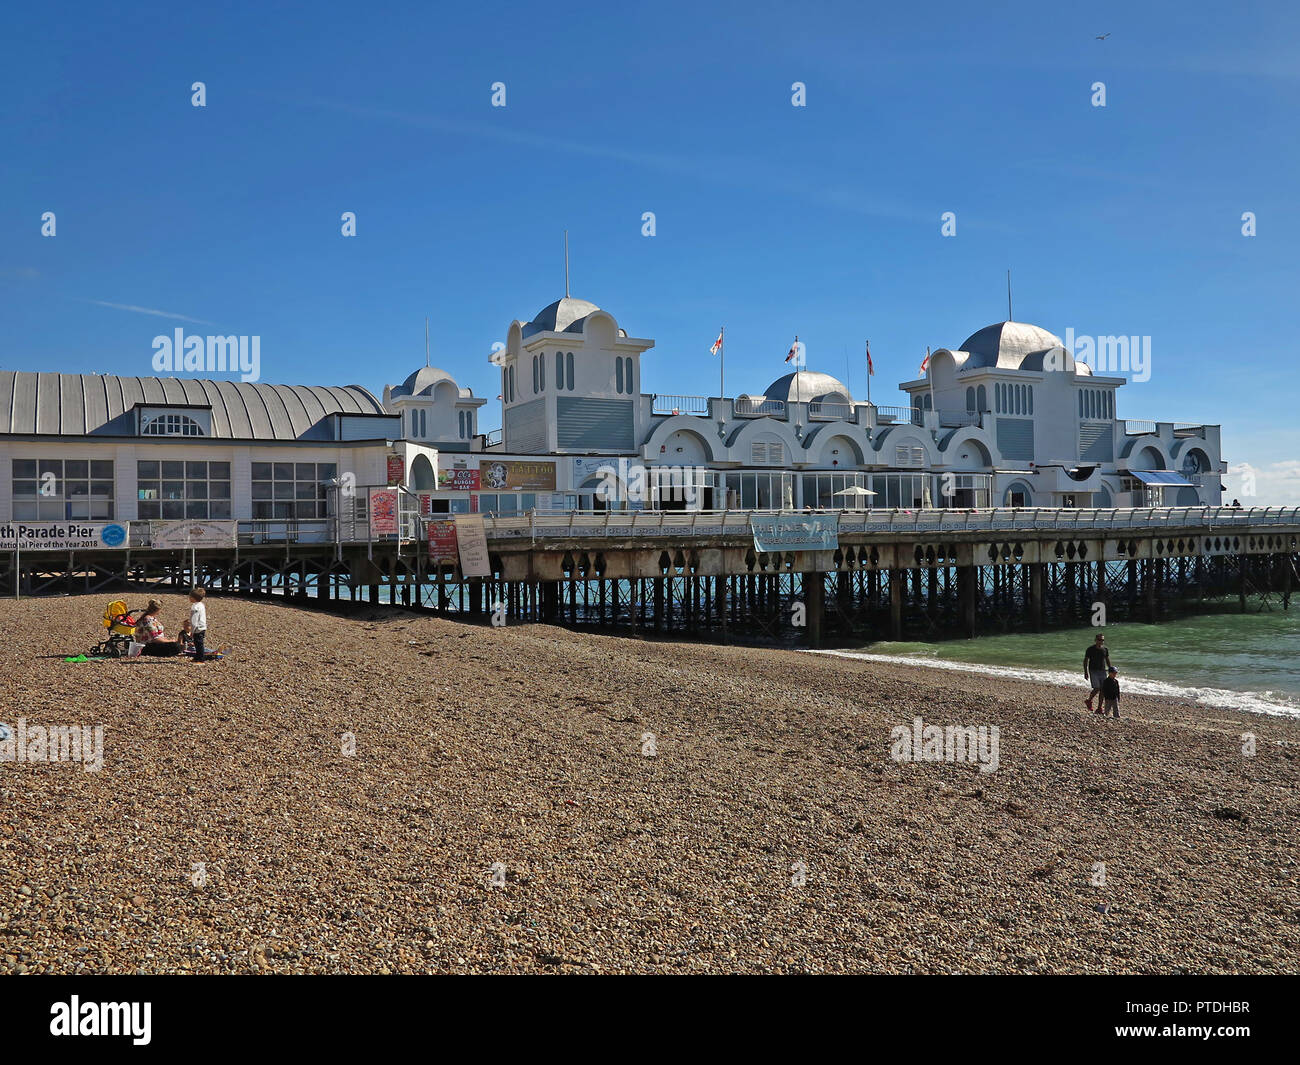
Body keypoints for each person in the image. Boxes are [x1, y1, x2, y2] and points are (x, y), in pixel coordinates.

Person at [1083, 633, 1112, 712]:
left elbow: (1107, 659)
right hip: (1093, 671)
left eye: (1102, 640)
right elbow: (1086, 660)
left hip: (1102, 671)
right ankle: (1089, 700)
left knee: (1103, 689)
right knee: (1097, 688)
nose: (1101, 641)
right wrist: (1085, 672)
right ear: (1095, 640)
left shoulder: (1105, 649)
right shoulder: (1090, 649)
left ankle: (1099, 708)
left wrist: (1110, 669)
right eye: (1099, 640)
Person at [188, 587, 208, 662]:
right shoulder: (201, 605)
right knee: (198, 643)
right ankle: (197, 657)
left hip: (198, 628)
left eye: (190, 596)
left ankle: (200, 659)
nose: (189, 598)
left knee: (198, 644)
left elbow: (194, 621)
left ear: (193, 598)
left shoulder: (195, 607)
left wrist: (192, 631)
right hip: (202, 626)